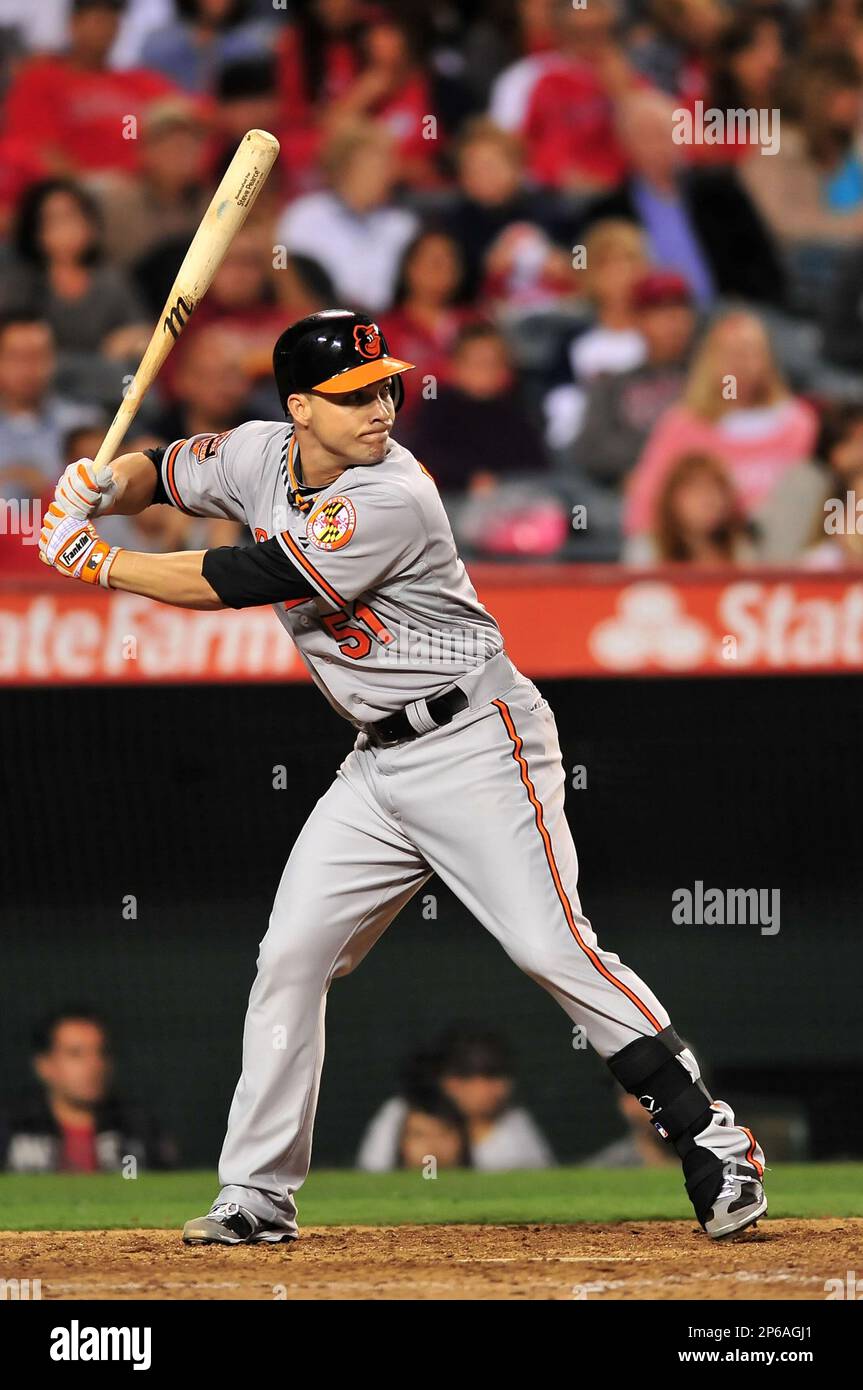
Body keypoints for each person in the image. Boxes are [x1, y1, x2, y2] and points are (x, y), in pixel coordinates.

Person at [38, 308, 767, 1245]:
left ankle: (711, 1135)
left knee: (550, 949)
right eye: (351, 396)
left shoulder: (393, 492)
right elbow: (168, 462)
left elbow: (244, 574)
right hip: (374, 763)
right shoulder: (261, 454)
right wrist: (107, 481)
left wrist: (98, 558)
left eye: (384, 386)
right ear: (300, 407)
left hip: (476, 742)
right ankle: (257, 1194)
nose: (380, 406)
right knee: (291, 958)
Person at [580, 89, 787, 308]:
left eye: (664, 133)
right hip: (648, 321)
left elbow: (763, 258)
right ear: (625, 144)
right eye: (645, 135)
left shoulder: (720, 191)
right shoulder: (606, 210)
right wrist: (574, 262)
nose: (657, 146)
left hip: (728, 312)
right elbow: (580, 256)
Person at [624, 310, 817, 542]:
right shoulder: (682, 424)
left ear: (768, 360)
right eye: (731, 353)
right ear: (710, 361)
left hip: (778, 553)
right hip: (698, 551)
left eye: (750, 352)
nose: (741, 364)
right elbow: (645, 503)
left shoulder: (799, 423)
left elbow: (815, 500)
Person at [3, 0, 175, 177]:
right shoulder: (42, 79)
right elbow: (40, 149)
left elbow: (186, 115)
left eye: (113, 20)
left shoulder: (140, 82)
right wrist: (83, 191)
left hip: (142, 188)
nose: (106, 29)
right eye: (99, 20)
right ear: (74, 25)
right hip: (73, 190)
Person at [0, 1007, 176, 1173]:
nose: (94, 1065)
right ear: (44, 1065)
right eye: (76, 1054)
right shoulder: (11, 1125)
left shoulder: (137, 1126)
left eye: (101, 1052)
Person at [358, 1028, 553, 1171]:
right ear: (446, 1081)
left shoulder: (513, 1122)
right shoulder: (402, 1111)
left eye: (497, 1076)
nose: (492, 1088)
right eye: (469, 1075)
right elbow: (371, 1170)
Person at [276, 122, 419, 313]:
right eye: (377, 166)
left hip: (389, 327)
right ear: (344, 168)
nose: (389, 175)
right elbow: (286, 279)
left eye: (389, 166)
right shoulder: (304, 216)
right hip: (321, 321)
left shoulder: (402, 224)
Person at [1, 179, 148, 360]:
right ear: (35, 229)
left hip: (103, 375)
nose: (67, 228)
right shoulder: (20, 282)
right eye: (55, 220)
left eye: (73, 216)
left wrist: (128, 341)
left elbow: (141, 331)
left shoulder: (111, 280)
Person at [402, 320, 548, 495]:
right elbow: (424, 458)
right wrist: (468, 478)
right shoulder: (437, 407)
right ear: (454, 367)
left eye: (494, 363)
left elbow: (536, 463)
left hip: (513, 495)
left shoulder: (517, 407)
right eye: (477, 363)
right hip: (452, 500)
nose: (486, 372)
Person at [0, 313, 99, 502]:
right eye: (17, 357)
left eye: (38, 356)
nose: (29, 369)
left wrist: (46, 489)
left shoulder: (84, 423)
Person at [624, 450, 755, 565]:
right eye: (697, 491)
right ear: (672, 499)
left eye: (717, 490)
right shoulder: (647, 549)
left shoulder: (742, 547)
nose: (709, 500)